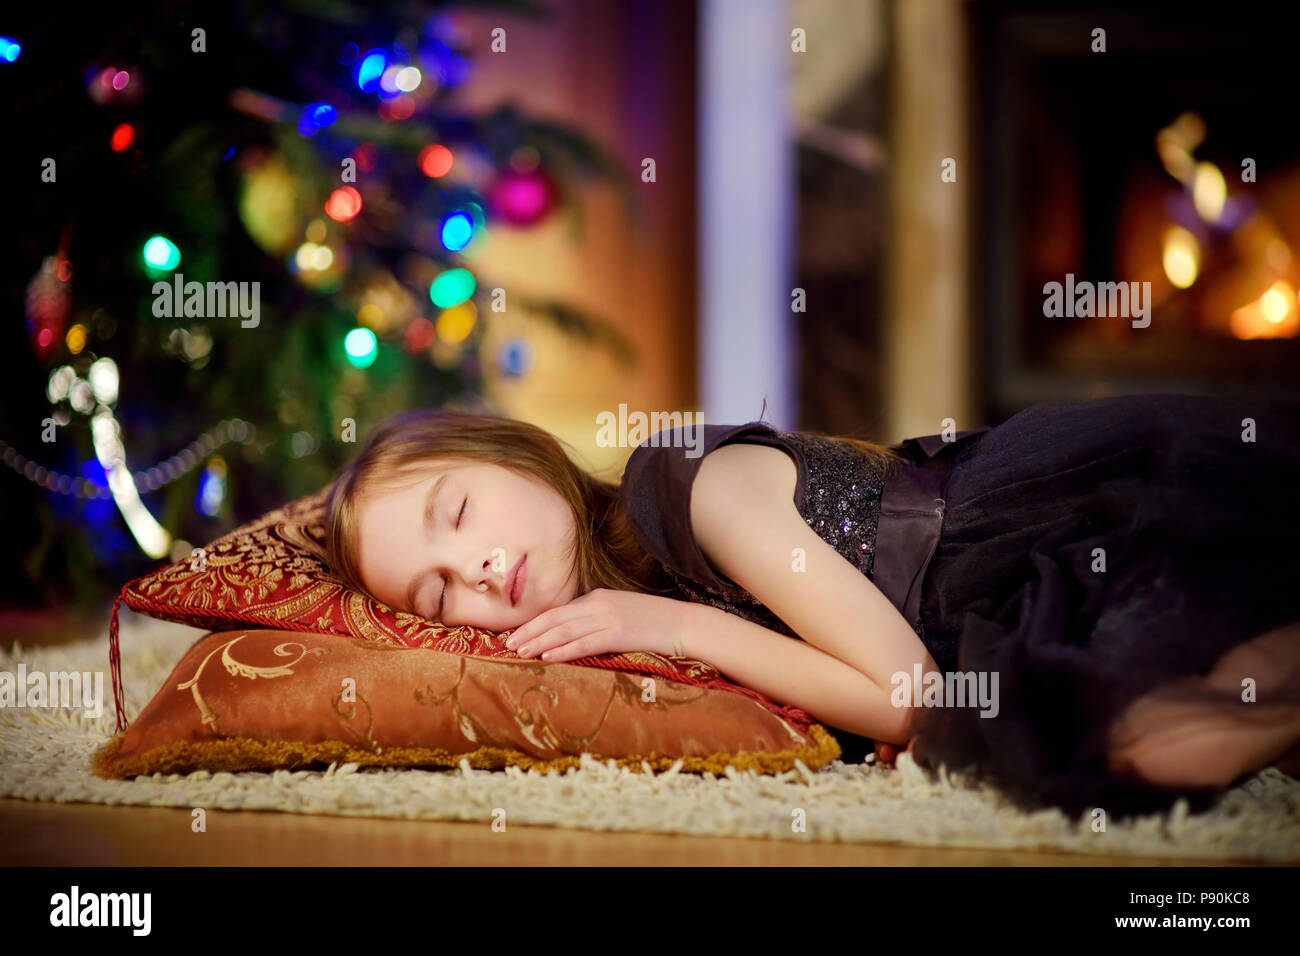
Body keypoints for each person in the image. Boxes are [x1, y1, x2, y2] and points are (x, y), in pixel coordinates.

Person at [324, 394, 1300, 819]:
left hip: (1046, 523)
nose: (477, 569)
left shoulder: (688, 488)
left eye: (456, 512)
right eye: (437, 590)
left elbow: (910, 691)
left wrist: (679, 627)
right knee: (1139, 736)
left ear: (513, 452)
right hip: (990, 611)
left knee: (1138, 704)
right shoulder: (613, 612)